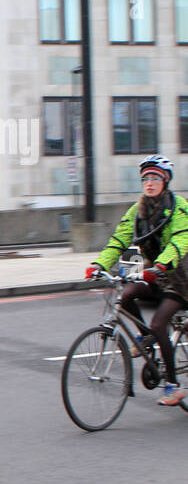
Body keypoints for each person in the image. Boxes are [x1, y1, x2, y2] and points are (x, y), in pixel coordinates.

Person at [87, 154, 188, 405]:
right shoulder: (137, 210)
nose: (149, 183)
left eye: (155, 178)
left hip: (180, 278)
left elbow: (180, 240)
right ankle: (146, 337)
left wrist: (162, 264)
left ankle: (173, 386)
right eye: (145, 178)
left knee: (159, 322)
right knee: (127, 294)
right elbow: (119, 240)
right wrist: (99, 264)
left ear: (165, 181)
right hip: (154, 273)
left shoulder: (180, 207)